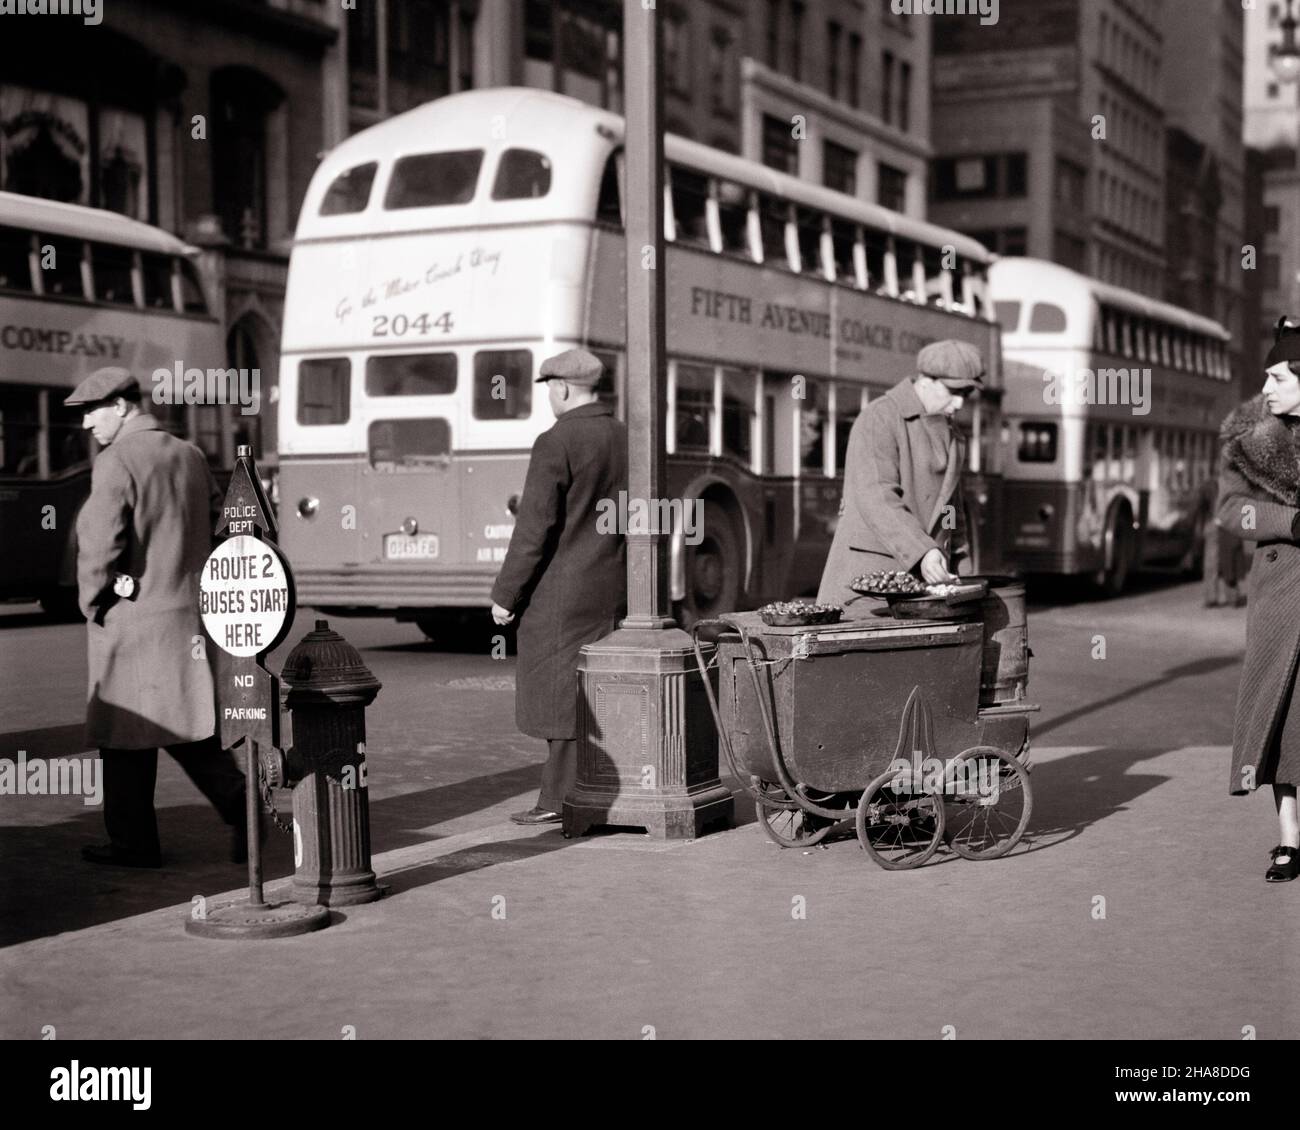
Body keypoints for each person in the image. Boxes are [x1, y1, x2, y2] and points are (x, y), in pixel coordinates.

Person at [65, 366, 248, 868]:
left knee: (125, 733)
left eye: (90, 411)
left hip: (133, 620)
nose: (86, 424)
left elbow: (99, 545)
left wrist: (93, 601)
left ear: (121, 406)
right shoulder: (189, 455)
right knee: (184, 726)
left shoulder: (115, 461)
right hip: (186, 617)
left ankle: (133, 843)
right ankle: (241, 803)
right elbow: (222, 527)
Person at [490, 349, 628, 825]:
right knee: (595, 690)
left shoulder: (556, 441)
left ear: (563, 388)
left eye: (549, 386)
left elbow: (534, 529)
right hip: (612, 588)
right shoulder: (626, 437)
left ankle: (560, 799)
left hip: (560, 594)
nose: (549, 394)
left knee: (559, 694)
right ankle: (585, 789)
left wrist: (505, 596)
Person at [1218, 317, 1300, 882]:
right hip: (1281, 594)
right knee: (1283, 722)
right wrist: (1289, 522)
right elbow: (1231, 512)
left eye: (1276, 376)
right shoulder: (1252, 442)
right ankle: (1290, 840)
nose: (1265, 387)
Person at [817, 340, 983, 608]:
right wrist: (924, 551)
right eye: (954, 391)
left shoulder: (952, 435)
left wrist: (961, 564)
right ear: (926, 380)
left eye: (967, 393)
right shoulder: (879, 418)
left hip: (926, 589)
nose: (961, 402)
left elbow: (951, 512)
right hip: (867, 590)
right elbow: (877, 497)